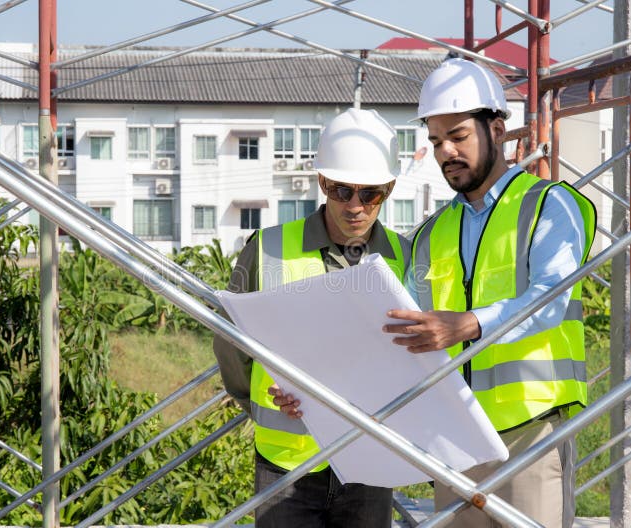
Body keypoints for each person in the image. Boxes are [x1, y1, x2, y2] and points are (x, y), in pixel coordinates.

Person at [383, 58, 596, 528]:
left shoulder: (548, 205)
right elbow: (409, 328)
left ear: (497, 129)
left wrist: (468, 324)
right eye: (436, 141)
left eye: (458, 135)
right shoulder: (431, 233)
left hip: (530, 434)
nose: (446, 152)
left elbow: (550, 299)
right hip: (456, 435)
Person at [213, 107, 410, 528]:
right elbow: (231, 341)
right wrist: (262, 398)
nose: (355, 206)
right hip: (288, 463)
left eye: (370, 194)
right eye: (342, 190)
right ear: (322, 182)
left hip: (370, 458)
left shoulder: (406, 256)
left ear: (390, 189)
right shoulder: (267, 248)